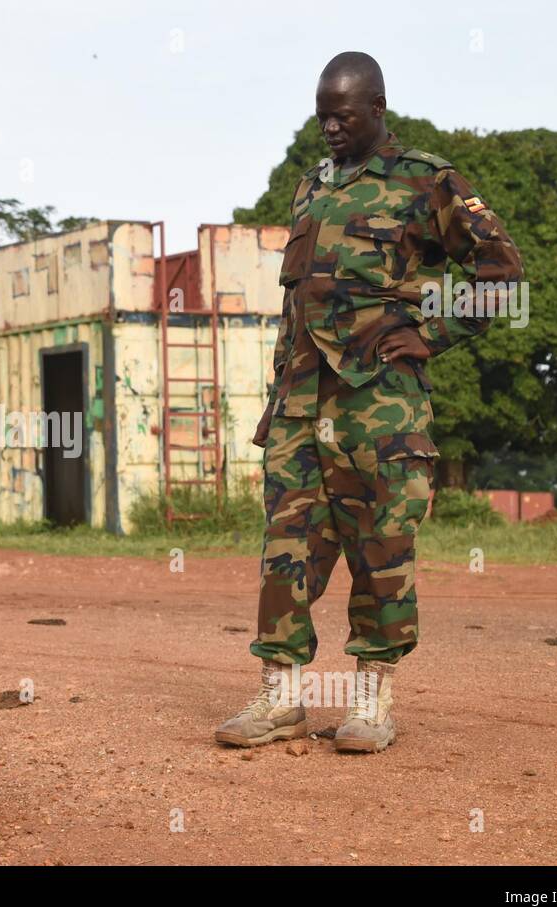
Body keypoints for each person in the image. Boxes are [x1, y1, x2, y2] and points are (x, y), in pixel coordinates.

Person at [215, 52, 523, 753]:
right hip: (299, 403)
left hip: (379, 406)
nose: (328, 126)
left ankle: (372, 703)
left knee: (382, 550)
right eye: (321, 112)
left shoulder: (426, 180)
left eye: (342, 114)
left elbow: (502, 272)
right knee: (285, 552)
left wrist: (431, 333)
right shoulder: (310, 189)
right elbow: (298, 305)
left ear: (378, 107)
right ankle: (281, 699)